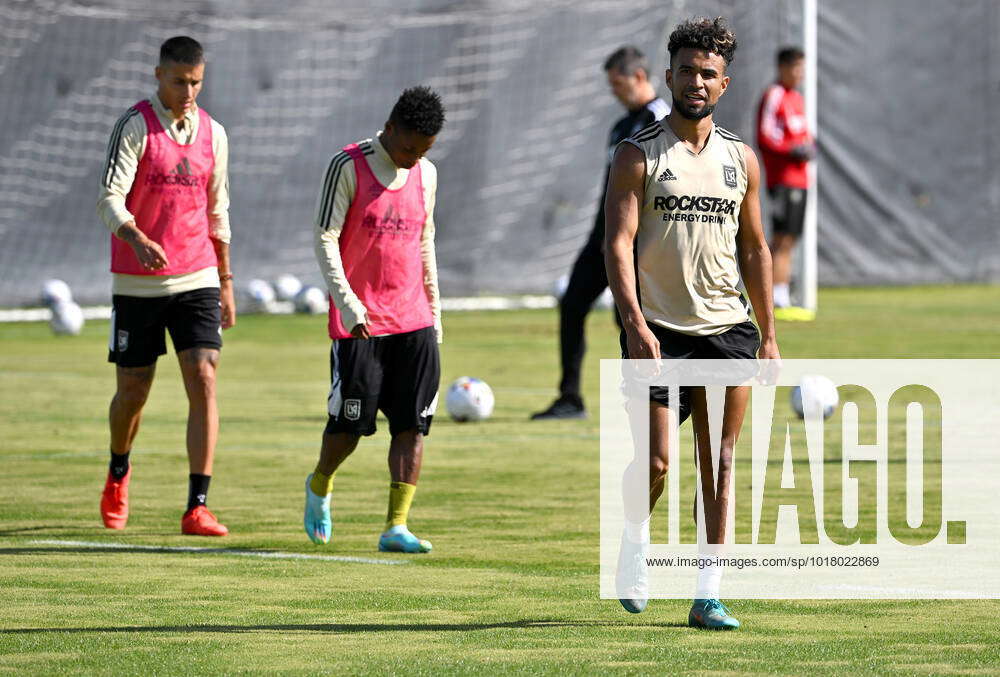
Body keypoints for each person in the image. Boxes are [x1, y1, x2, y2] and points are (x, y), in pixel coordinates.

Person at [604, 17, 780, 628]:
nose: (696, 82)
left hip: (729, 328)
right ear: (670, 74)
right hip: (658, 331)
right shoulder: (637, 153)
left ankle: (708, 595)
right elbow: (618, 243)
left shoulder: (742, 159)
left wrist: (771, 335)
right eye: (686, 70)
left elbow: (756, 249)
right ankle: (633, 539)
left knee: (721, 461)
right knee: (655, 462)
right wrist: (633, 322)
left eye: (708, 73)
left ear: (723, 83)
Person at [97, 36, 234, 536]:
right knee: (133, 391)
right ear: (158, 76)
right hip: (138, 282)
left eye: (196, 81)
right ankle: (118, 470)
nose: (188, 90)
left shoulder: (215, 134)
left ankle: (197, 506)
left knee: (204, 375)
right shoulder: (135, 126)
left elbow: (218, 212)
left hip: (196, 275)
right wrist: (134, 235)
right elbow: (109, 198)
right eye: (179, 81)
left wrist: (225, 281)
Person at [303, 87, 445, 554]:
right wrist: (348, 305)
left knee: (412, 426)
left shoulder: (426, 174)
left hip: (413, 320)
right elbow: (325, 238)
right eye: (409, 148)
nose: (413, 159)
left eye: (424, 151)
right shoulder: (348, 166)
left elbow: (425, 246)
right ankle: (320, 483)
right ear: (391, 127)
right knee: (348, 428)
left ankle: (396, 526)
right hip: (359, 322)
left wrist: (434, 316)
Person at [531, 47, 668, 420]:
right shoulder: (621, 126)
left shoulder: (662, 119)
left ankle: (644, 398)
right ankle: (570, 398)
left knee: (629, 318)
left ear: (639, 76)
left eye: (617, 83)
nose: (613, 91)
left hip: (639, 240)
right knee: (573, 304)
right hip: (603, 238)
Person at [756, 46, 814, 318]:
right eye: (796, 68)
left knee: (790, 239)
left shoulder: (797, 98)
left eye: (802, 68)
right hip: (783, 179)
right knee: (780, 239)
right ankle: (774, 296)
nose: (800, 73)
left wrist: (807, 147)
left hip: (801, 179)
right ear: (783, 68)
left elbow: (802, 135)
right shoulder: (775, 95)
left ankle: (782, 294)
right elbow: (765, 136)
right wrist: (792, 150)